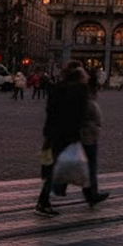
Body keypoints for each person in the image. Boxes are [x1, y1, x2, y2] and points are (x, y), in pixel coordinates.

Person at [35, 62, 89, 217]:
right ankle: (43, 201)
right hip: (68, 135)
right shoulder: (80, 90)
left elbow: (50, 110)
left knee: (53, 166)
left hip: (53, 132)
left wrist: (48, 132)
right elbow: (81, 115)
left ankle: (50, 196)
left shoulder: (57, 88)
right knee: (59, 168)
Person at [53, 74, 110, 208]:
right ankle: (90, 194)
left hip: (84, 134)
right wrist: (95, 127)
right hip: (87, 135)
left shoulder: (78, 94)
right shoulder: (85, 97)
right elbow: (85, 114)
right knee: (89, 165)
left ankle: (61, 187)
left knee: (80, 163)